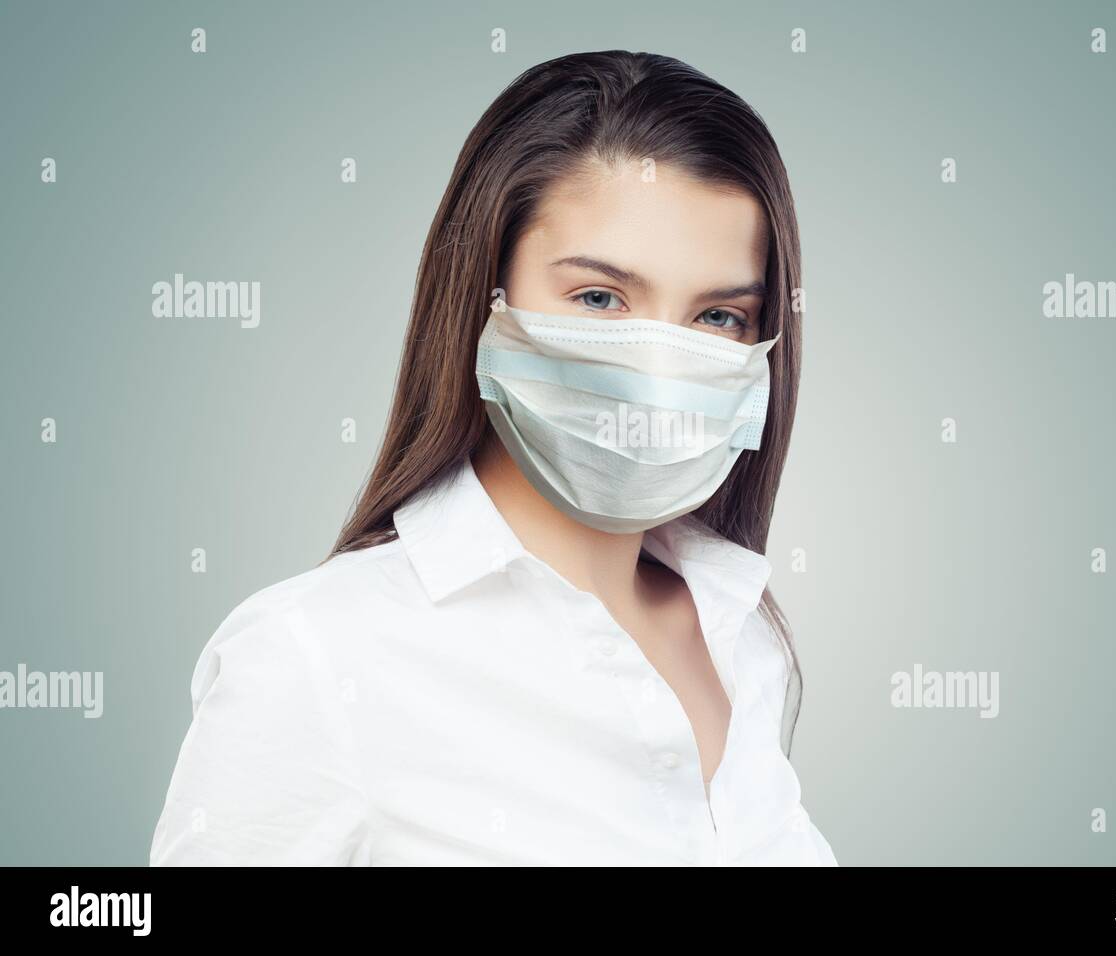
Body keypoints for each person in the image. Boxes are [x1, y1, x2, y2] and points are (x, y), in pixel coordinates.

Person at [149, 50, 838, 866]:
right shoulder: (317, 655)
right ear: (485, 297)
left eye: (717, 316)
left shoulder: (739, 634)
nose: (658, 367)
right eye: (599, 298)